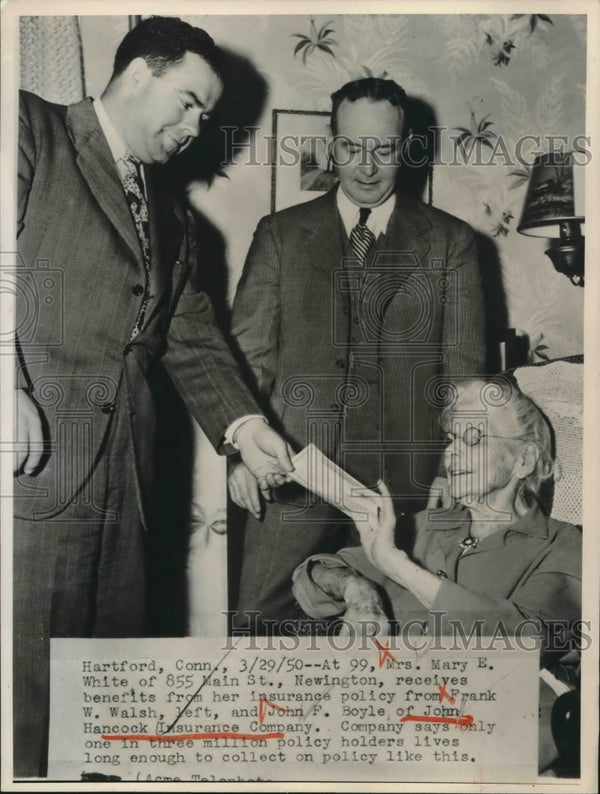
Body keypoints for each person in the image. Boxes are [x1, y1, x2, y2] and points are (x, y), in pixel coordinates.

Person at [13, 16, 293, 777]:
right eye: (190, 102)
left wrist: (245, 426)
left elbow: (191, 334)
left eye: (207, 114)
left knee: (104, 683)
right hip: (32, 471)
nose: (199, 127)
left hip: (129, 481)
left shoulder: (173, 213)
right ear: (138, 74)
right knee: (25, 682)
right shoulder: (29, 129)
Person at [229, 77, 486, 629]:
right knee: (260, 629)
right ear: (331, 144)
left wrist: (455, 467)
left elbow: (464, 377)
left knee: (404, 644)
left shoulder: (452, 243)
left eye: (384, 149)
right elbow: (247, 361)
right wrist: (240, 455)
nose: (366, 167)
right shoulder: (279, 235)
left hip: (411, 488)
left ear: (407, 149)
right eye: (351, 147)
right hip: (291, 478)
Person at [292, 377, 582, 658]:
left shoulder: (565, 546)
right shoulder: (427, 524)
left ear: (524, 460)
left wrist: (396, 565)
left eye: (473, 438)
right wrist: (356, 590)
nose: (451, 451)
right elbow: (312, 574)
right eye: (453, 439)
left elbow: (525, 642)